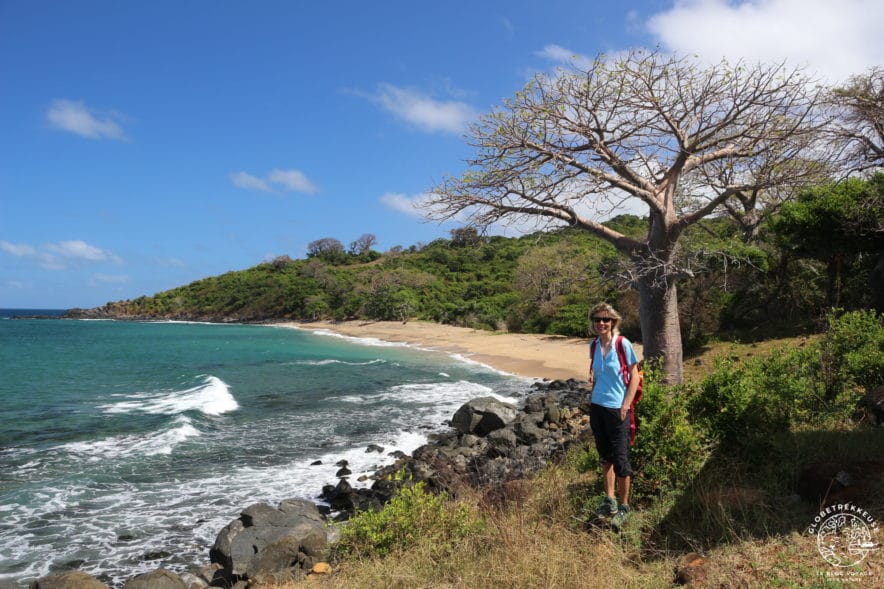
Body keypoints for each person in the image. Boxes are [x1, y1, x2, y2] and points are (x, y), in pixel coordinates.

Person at [587, 302, 639, 530]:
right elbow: (597, 375)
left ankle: (625, 506)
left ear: (613, 322)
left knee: (620, 459)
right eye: (597, 319)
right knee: (605, 457)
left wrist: (626, 405)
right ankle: (610, 501)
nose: (601, 323)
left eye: (606, 320)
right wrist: (593, 389)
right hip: (597, 407)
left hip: (617, 409)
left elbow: (634, 376)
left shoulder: (622, 344)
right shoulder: (593, 346)